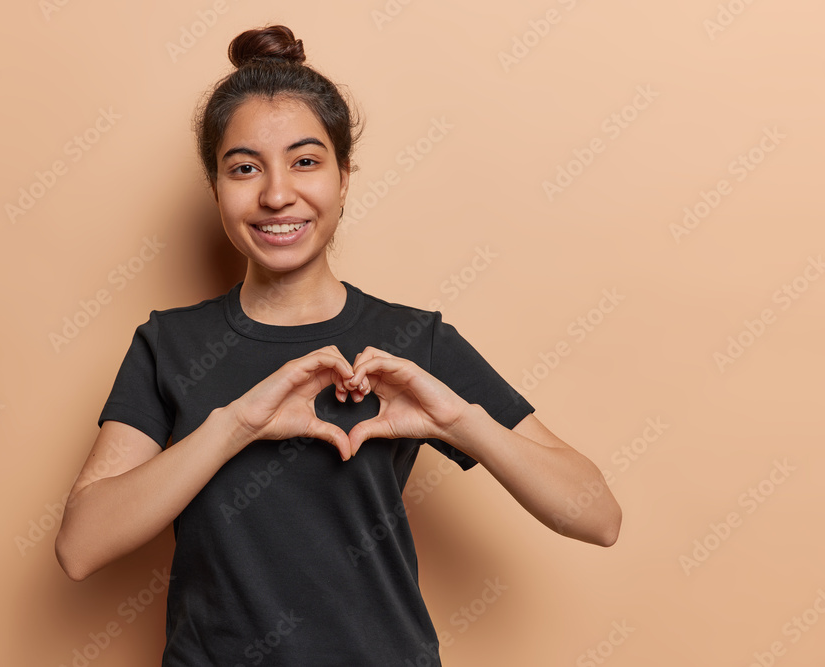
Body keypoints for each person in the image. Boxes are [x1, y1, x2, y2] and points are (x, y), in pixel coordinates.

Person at [55, 24, 621, 666]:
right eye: (244, 168)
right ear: (215, 187)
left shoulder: (414, 341)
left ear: (344, 177)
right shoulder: (171, 343)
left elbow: (597, 516)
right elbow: (81, 547)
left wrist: (459, 421)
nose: (275, 194)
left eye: (305, 161)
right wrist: (237, 423)